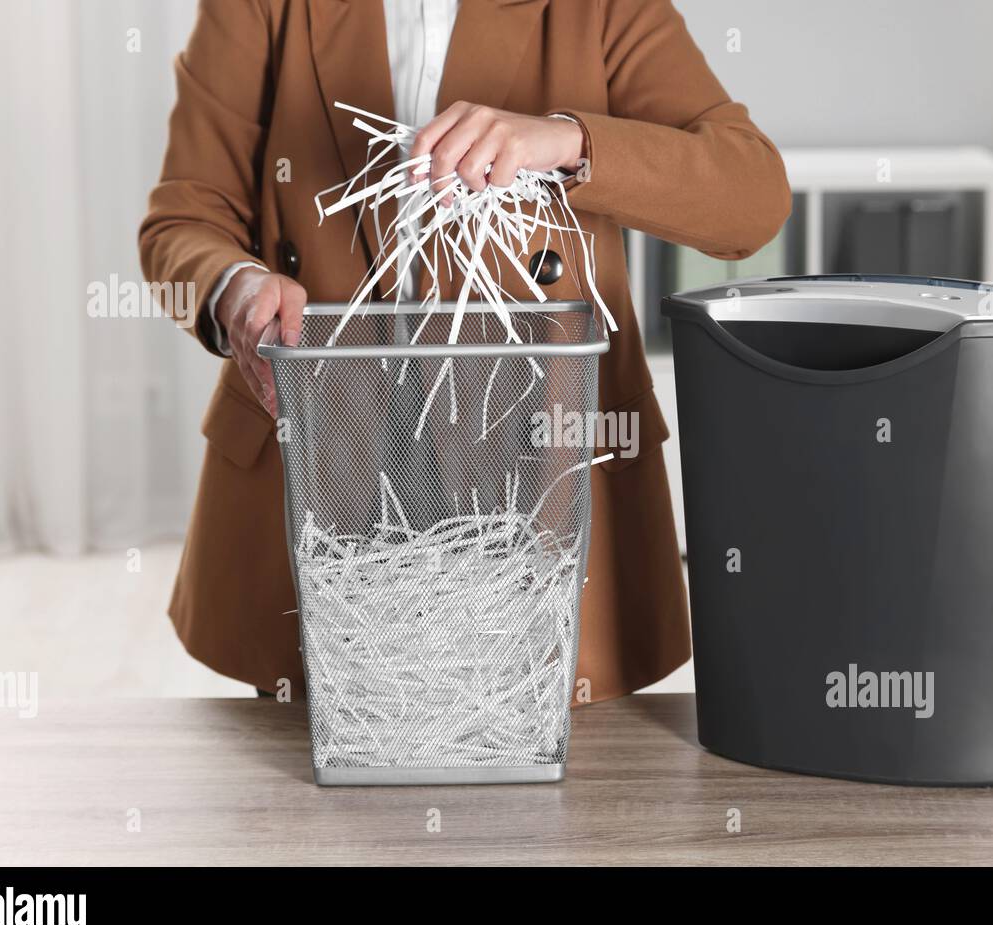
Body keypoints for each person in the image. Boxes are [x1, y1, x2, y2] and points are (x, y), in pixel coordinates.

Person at [140, 0, 790, 701]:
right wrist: (235, 291)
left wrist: (567, 140)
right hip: (324, 463)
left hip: (538, 467)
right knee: (325, 787)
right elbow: (183, 218)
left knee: (564, 790)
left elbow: (751, 197)